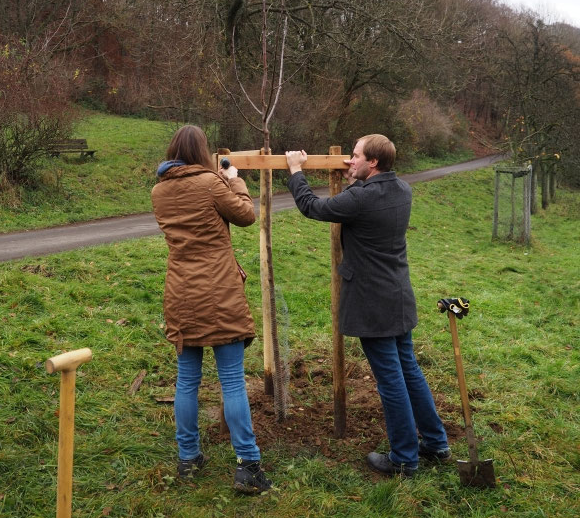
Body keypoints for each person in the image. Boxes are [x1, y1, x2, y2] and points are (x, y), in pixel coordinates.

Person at [285, 134, 450, 478]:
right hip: (398, 295)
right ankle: (435, 443)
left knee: (390, 380)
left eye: (355, 156)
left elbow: (312, 208)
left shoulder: (360, 199)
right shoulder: (402, 190)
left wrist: (296, 171)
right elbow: (361, 201)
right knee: (409, 371)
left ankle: (404, 459)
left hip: (372, 303)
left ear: (372, 162)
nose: (350, 160)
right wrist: (353, 183)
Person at [152, 125, 272, 494]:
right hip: (219, 291)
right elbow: (246, 215)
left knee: (187, 380)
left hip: (181, 292)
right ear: (202, 152)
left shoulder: (159, 191)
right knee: (232, 380)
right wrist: (234, 181)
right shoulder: (211, 183)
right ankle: (248, 466)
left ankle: (188, 458)